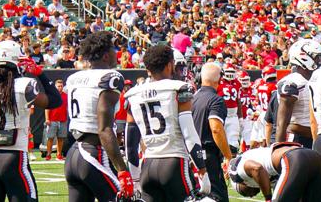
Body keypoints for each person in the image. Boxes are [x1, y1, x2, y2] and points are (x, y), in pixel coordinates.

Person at [124, 44, 210, 202]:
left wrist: (135, 179)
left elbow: (130, 145)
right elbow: (189, 135)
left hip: (147, 166)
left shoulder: (133, 94)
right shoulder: (178, 88)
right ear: (170, 65)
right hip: (174, 163)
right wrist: (202, 170)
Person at [64, 31, 133, 202]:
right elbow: (104, 129)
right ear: (104, 56)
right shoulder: (110, 77)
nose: (115, 53)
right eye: (112, 49)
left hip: (73, 154)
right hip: (93, 153)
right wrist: (122, 170)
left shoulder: (74, 78)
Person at [0, 41, 60, 202]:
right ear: (17, 61)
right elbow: (55, 101)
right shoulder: (23, 85)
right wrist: (40, 73)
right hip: (13, 158)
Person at [227, 142, 321, 201]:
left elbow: (257, 168)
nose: (251, 195)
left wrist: (268, 198)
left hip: (294, 158)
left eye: (244, 193)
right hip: (316, 159)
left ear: (242, 183)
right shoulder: (271, 176)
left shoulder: (235, 173)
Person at [192, 62, 233, 202]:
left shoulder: (192, 98)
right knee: (216, 196)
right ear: (219, 79)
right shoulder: (216, 100)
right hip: (208, 156)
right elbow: (216, 129)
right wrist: (228, 156)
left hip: (191, 155)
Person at [275, 39, 321, 148]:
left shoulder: (318, 79)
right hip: (298, 140)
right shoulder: (292, 83)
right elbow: (282, 124)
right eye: (317, 57)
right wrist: (279, 150)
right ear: (304, 57)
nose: (320, 61)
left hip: (317, 138)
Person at [44, 79, 68, 161]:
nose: (60, 88)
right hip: (52, 120)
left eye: (61, 86)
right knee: (50, 138)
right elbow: (47, 108)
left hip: (63, 120)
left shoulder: (66, 96)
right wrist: (47, 119)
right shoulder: (51, 95)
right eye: (58, 86)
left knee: (60, 138)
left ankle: (59, 155)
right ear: (55, 86)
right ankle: (48, 154)